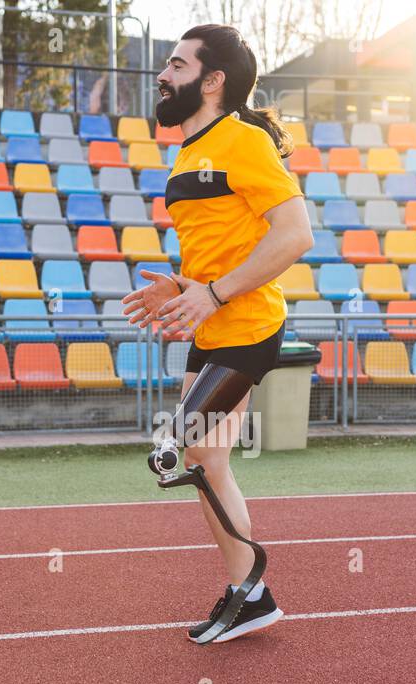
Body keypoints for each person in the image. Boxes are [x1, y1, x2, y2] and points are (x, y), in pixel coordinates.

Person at [122, 24, 314, 643]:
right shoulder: (188, 152)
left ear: (213, 81)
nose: (162, 75)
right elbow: (224, 251)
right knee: (205, 460)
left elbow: (295, 235)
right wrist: (185, 287)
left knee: (196, 454)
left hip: (248, 326)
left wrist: (212, 293)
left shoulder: (244, 140)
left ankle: (250, 592)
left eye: (177, 65)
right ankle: (247, 593)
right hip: (212, 327)